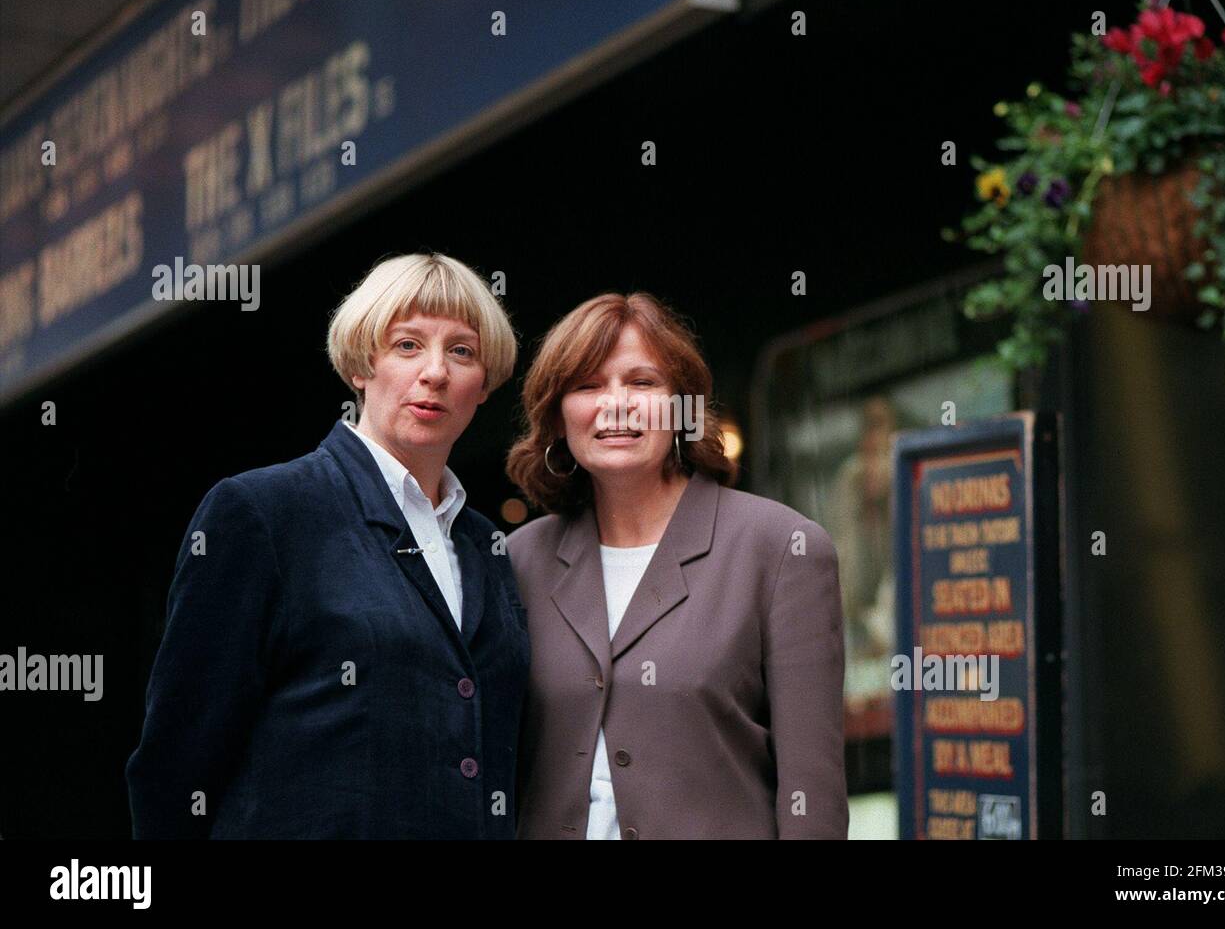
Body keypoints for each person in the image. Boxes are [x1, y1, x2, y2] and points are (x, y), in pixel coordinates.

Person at [126, 253, 529, 838]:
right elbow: (175, 763)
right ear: (363, 364)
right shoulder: (263, 512)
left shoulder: (486, 544)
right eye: (408, 345)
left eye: (462, 351)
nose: (436, 372)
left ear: (484, 385)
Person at [505, 291, 848, 839]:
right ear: (558, 415)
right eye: (588, 386)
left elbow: (813, 798)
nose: (615, 405)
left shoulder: (782, 549)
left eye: (642, 383)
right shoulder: (518, 562)